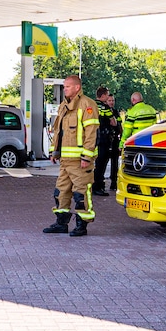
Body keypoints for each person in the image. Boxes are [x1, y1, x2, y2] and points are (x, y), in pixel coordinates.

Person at [43, 75, 100, 237]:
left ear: (77, 88)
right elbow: (58, 132)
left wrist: (86, 157)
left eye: (67, 86)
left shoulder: (87, 105)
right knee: (61, 192)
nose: (64, 89)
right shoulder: (63, 106)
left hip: (80, 161)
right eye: (64, 86)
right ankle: (61, 223)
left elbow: (91, 133)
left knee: (80, 193)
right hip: (65, 161)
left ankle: (82, 226)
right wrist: (55, 152)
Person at [92, 86, 115, 196]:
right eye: (107, 95)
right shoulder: (105, 107)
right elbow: (113, 122)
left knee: (95, 163)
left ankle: (93, 185)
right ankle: (98, 186)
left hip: (92, 138)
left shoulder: (91, 104)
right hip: (103, 138)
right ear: (104, 95)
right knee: (101, 163)